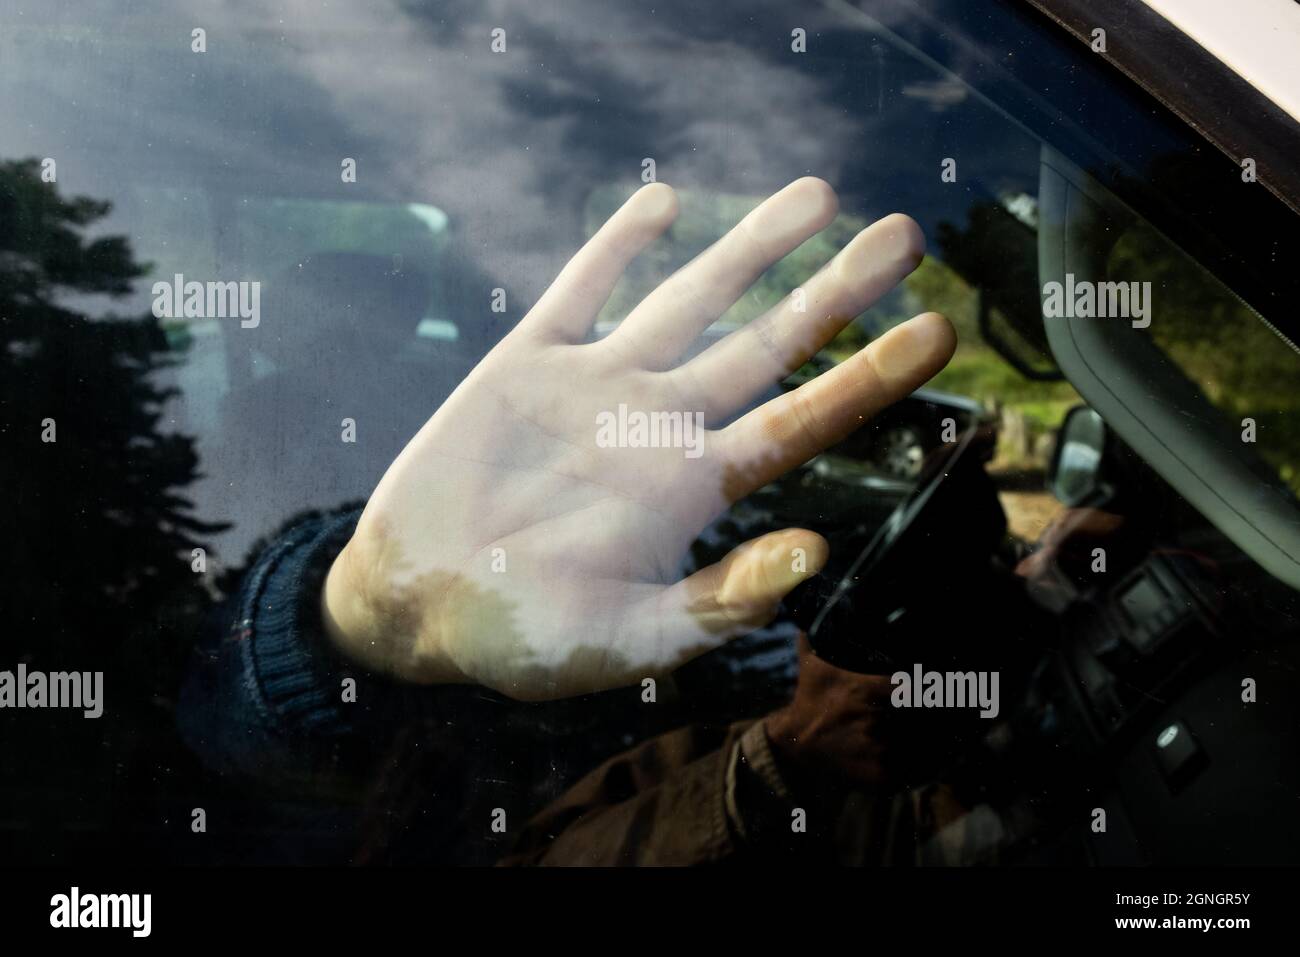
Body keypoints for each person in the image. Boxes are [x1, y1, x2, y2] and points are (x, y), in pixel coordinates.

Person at [177, 177, 957, 864]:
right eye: (334, 335)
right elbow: (201, 727)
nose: (354, 352)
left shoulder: (563, 436)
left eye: (365, 333)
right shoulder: (258, 451)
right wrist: (364, 618)